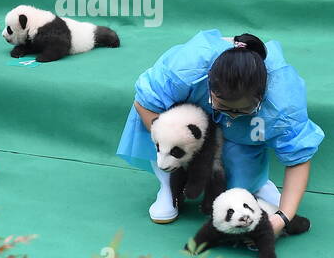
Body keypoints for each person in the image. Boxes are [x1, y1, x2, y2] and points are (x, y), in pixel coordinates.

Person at [117, 32, 323, 227]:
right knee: (167, 127)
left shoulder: (283, 101)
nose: (231, 115)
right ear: (208, 82)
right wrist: (181, 156)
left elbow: (298, 157)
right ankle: (170, 187)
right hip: (194, 121)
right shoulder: (186, 69)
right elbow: (144, 103)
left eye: (242, 109)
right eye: (223, 106)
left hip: (245, 134)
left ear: (262, 96)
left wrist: (283, 218)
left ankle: (255, 185)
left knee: (240, 177)